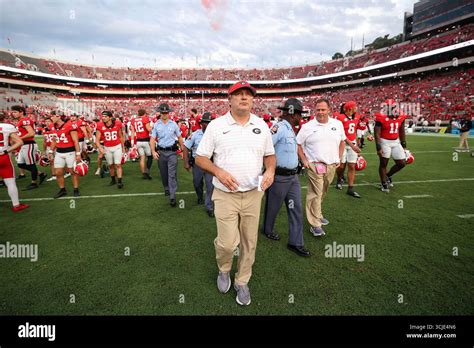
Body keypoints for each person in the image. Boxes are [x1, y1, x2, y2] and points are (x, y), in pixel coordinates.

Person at [195, 80, 276, 306]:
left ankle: (242, 281)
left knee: (250, 241)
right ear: (229, 100)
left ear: (252, 100)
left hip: (253, 193)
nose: (243, 98)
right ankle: (224, 268)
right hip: (224, 194)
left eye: (248, 95)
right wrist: (218, 171)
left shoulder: (261, 125)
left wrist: (270, 170)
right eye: (238, 94)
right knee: (228, 243)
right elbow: (200, 158)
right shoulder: (216, 125)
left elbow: (270, 155)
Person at [262, 98, 311, 257]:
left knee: (295, 209)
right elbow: (265, 147)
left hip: (292, 178)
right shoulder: (280, 128)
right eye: (299, 114)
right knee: (272, 208)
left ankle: (295, 242)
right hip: (279, 177)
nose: (300, 118)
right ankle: (268, 229)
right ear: (292, 114)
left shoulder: (290, 129)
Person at [296, 98, 345, 237]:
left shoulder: (337, 124)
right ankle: (315, 223)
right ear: (314, 110)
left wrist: (339, 158)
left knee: (323, 191)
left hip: (331, 165)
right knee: (315, 193)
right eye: (318, 109)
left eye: (323, 109)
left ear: (329, 109)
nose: (320, 112)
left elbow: (342, 142)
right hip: (315, 164)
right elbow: (298, 144)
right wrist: (304, 160)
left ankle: (318, 213)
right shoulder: (307, 126)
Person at [150, 103, 184, 207]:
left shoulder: (173, 124)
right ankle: (166, 187)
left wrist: (182, 150)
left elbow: (179, 137)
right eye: (163, 112)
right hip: (161, 152)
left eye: (166, 112)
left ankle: (172, 196)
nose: (165, 114)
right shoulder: (156, 125)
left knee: (172, 174)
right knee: (164, 174)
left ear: (169, 113)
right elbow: (152, 139)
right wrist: (153, 151)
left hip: (172, 153)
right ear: (160, 113)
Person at [183, 112, 215, 217]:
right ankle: (200, 197)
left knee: (210, 185)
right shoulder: (195, 134)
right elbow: (186, 148)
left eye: (210, 123)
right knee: (197, 182)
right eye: (206, 123)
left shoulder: (216, 135)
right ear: (202, 123)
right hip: (197, 162)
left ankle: (209, 206)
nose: (208, 125)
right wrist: (186, 162)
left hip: (211, 162)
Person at [374, 99, 408, 192]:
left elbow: (402, 130)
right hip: (384, 141)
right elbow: (377, 132)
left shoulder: (401, 115)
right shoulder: (381, 116)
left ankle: (388, 175)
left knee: (402, 163)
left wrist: (404, 145)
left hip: (396, 141)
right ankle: (383, 183)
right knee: (384, 163)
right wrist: (378, 146)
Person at [11, 105, 47, 189]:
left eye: (15, 112)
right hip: (23, 145)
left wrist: (18, 138)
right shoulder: (21, 121)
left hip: (29, 144)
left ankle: (34, 183)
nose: (13, 114)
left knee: (31, 164)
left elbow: (31, 133)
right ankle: (41, 174)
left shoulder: (25, 120)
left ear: (21, 112)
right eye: (12, 112)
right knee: (20, 164)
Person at [48, 112, 82, 198]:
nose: (51, 118)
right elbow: (54, 140)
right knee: (58, 172)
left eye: (52, 116)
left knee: (72, 171)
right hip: (59, 152)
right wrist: (51, 151)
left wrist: (78, 154)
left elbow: (75, 141)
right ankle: (62, 190)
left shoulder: (69, 125)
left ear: (58, 117)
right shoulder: (52, 126)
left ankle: (76, 189)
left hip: (70, 151)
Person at [0, 112, 29, 212]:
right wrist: (6, 150)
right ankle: (16, 205)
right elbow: (19, 142)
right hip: (3, 157)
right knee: (10, 182)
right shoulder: (8, 126)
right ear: (4, 118)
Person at [334, 101, 363, 198]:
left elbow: (358, 128)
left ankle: (350, 188)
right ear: (350, 108)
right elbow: (340, 134)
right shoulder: (340, 118)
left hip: (353, 144)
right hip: (342, 144)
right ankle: (339, 178)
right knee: (341, 166)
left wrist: (359, 142)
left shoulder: (357, 116)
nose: (356, 108)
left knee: (351, 165)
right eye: (355, 107)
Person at [95, 111, 125, 189]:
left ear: (110, 117)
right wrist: (100, 148)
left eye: (105, 116)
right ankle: (113, 180)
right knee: (110, 165)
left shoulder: (118, 123)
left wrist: (123, 147)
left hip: (117, 146)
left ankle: (120, 181)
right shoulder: (99, 125)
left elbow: (121, 136)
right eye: (103, 116)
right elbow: (97, 140)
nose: (103, 118)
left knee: (118, 164)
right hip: (107, 147)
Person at [130, 109, 153, 179]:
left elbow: (133, 132)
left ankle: (143, 173)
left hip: (138, 141)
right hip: (145, 140)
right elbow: (149, 129)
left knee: (142, 158)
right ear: (144, 113)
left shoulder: (133, 120)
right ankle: (147, 171)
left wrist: (132, 141)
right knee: (150, 156)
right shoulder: (145, 118)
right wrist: (154, 127)